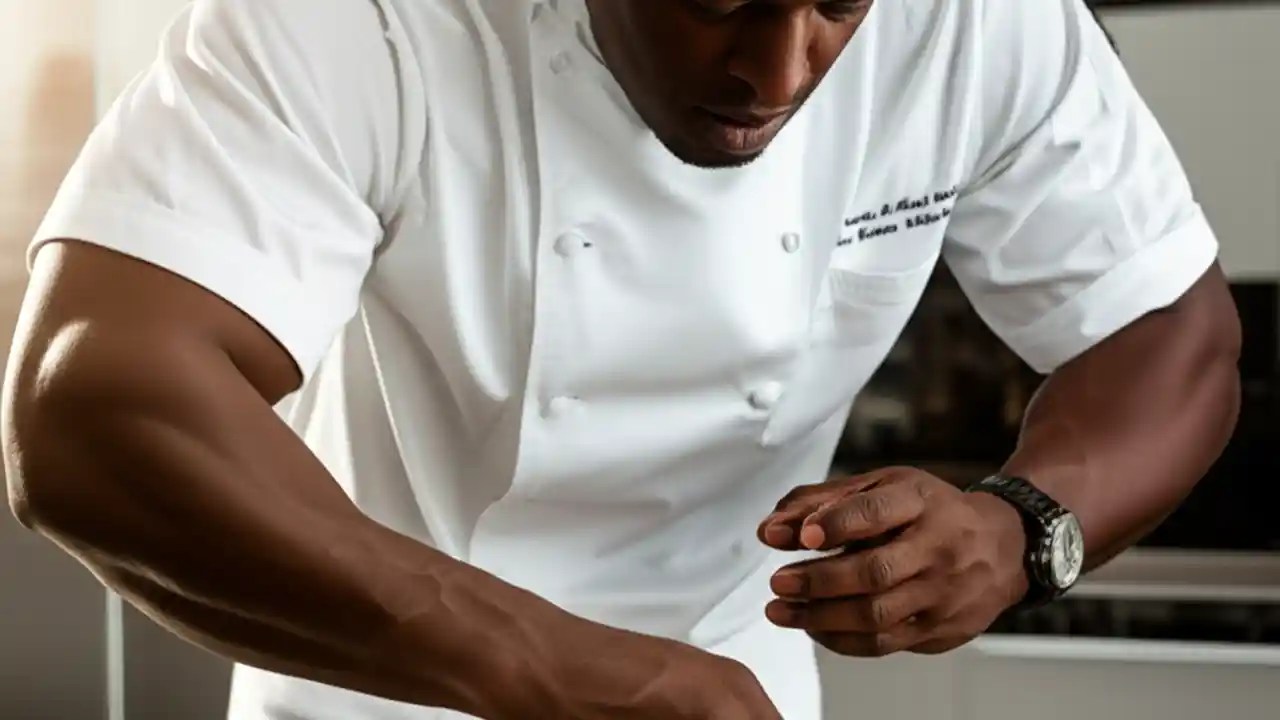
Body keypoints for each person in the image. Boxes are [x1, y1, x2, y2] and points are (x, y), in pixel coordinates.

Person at [3, 1, 1241, 718]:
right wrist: (562, 675)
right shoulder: (360, 23)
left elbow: (1166, 331)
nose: (776, 71)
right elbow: (88, 405)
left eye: (835, 9)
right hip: (378, 681)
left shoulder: (980, 21)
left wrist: (1021, 526)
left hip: (728, 688)